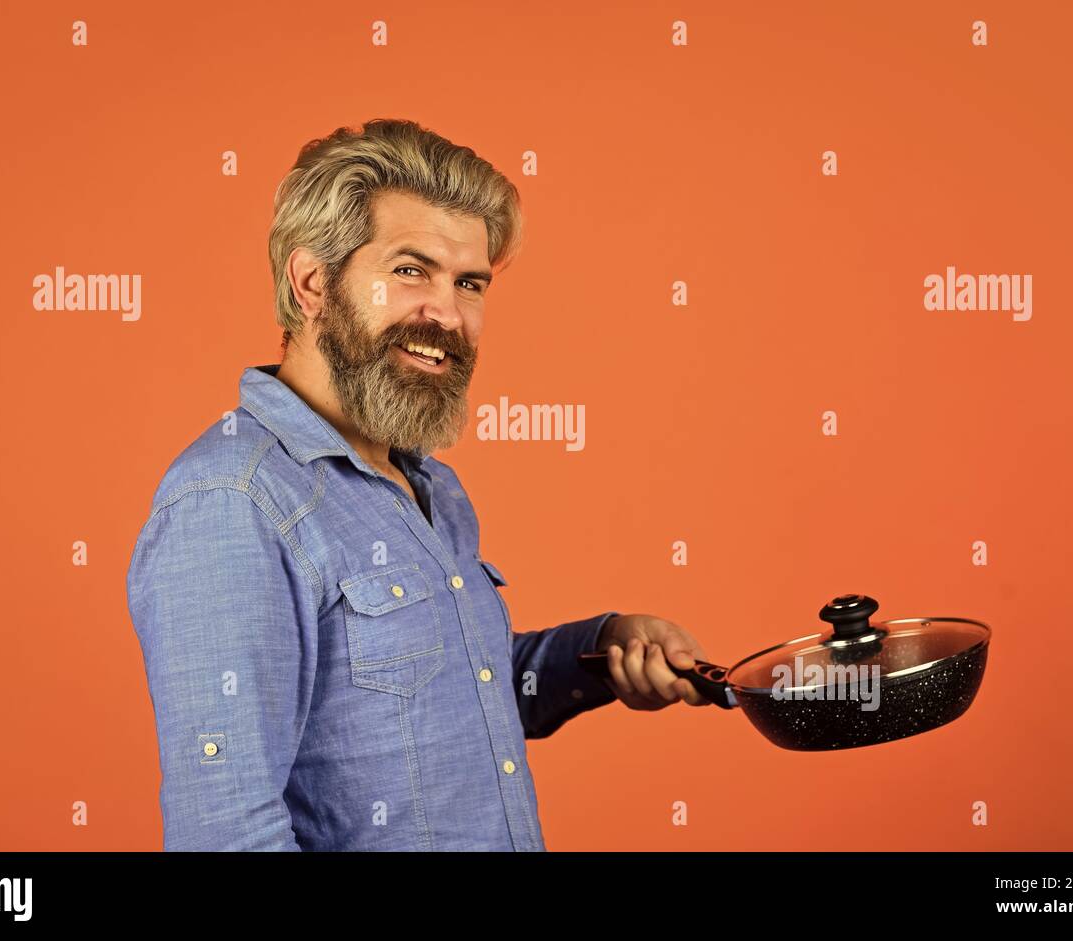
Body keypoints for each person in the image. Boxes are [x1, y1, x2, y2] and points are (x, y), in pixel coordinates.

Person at [125, 118, 712, 851]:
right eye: (410, 271)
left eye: (469, 283)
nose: (446, 316)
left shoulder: (428, 482)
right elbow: (226, 830)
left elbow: (443, 692)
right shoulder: (231, 503)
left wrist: (598, 652)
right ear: (312, 282)